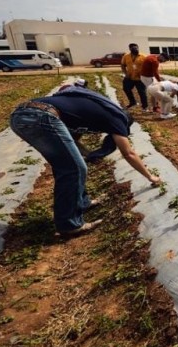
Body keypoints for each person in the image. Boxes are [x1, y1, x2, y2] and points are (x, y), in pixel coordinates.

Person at [9, 85, 161, 237]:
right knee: (73, 169)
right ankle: (69, 225)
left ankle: (82, 202)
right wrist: (150, 176)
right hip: (41, 116)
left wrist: (88, 153)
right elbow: (129, 153)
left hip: (20, 116)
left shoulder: (93, 114)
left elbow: (72, 141)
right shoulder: (118, 118)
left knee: (65, 165)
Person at [120, 43, 149, 111]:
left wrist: (144, 74)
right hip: (129, 77)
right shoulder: (126, 56)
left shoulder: (144, 56)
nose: (136, 50)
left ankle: (145, 107)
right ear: (130, 49)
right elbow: (123, 65)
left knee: (142, 92)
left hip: (140, 78)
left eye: (136, 48)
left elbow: (148, 66)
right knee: (126, 89)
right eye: (133, 49)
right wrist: (126, 73)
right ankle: (133, 102)